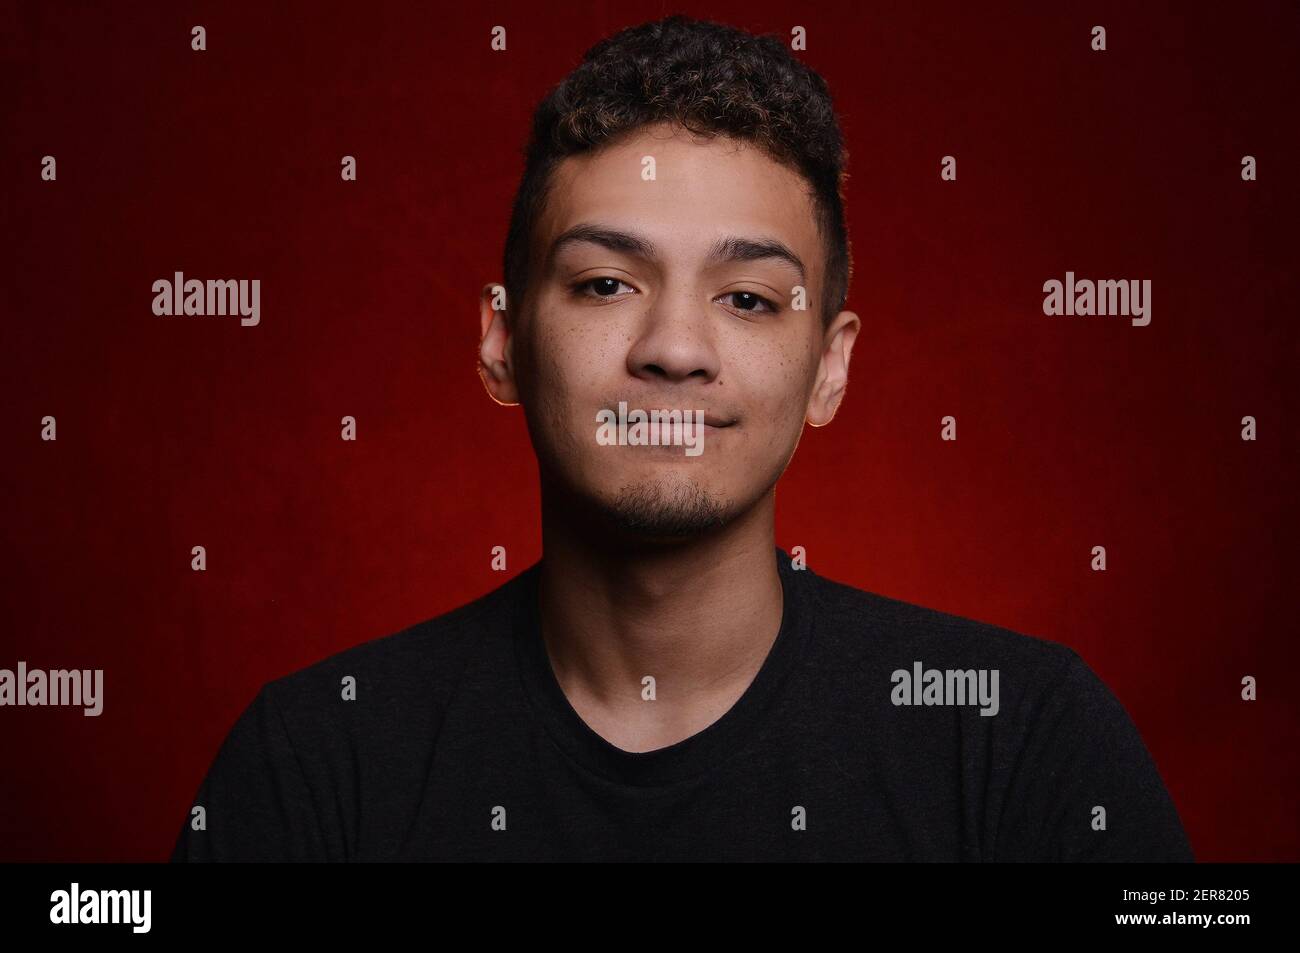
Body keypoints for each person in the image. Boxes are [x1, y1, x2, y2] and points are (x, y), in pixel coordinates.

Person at [171, 14, 1193, 862]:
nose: (672, 347)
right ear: (501, 341)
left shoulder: (1023, 741)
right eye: (606, 282)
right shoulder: (314, 760)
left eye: (747, 297)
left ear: (829, 367)